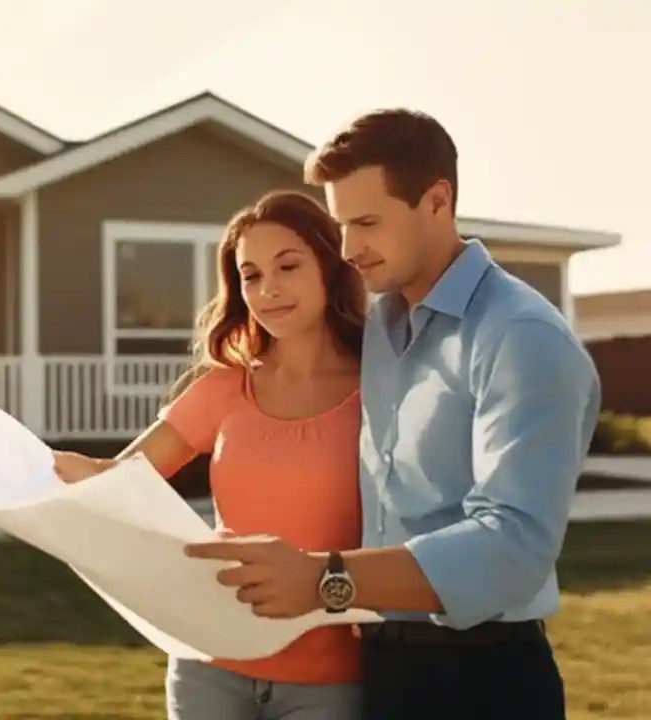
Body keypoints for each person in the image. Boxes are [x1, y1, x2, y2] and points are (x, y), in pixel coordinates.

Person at [183, 108, 602, 720]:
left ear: (437, 201)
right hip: (384, 670)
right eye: (340, 225)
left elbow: (513, 548)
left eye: (368, 223)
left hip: (481, 680)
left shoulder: (521, 337)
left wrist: (323, 577)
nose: (348, 249)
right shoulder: (384, 323)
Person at [53, 189, 369, 720]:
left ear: (330, 268)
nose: (268, 290)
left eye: (287, 266)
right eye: (251, 275)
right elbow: (124, 481)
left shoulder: (381, 390)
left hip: (330, 677)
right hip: (209, 665)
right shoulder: (223, 389)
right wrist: (36, 468)